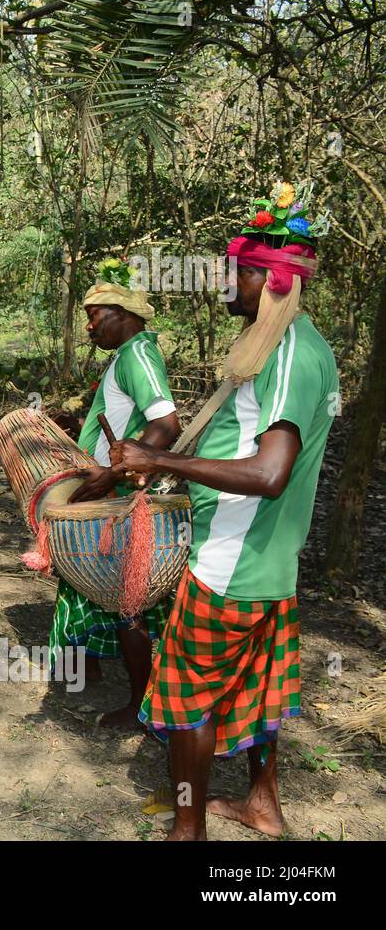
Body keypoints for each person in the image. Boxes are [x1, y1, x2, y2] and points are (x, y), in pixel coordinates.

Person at [111, 182, 336, 840]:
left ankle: (188, 828)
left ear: (270, 279)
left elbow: (270, 472)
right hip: (268, 560)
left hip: (231, 562)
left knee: (187, 698)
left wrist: (162, 464)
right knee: (259, 690)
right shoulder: (289, 345)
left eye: (236, 271)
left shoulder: (291, 355)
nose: (224, 284)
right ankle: (261, 802)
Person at [49, 259, 181, 728]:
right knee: (105, 584)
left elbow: (166, 425)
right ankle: (90, 665)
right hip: (113, 489)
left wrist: (110, 474)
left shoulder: (139, 357)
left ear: (123, 315)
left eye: (95, 315)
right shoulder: (127, 358)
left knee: (130, 599)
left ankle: (142, 705)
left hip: (123, 498)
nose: (89, 326)